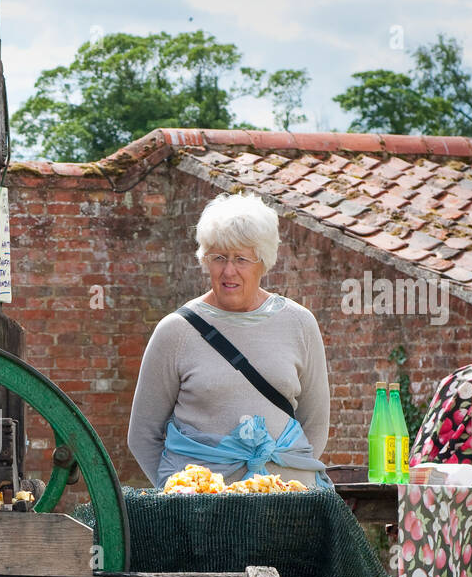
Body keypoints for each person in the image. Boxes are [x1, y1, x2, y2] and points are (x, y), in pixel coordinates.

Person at [127, 192, 331, 488]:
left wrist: (282, 479)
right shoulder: (176, 331)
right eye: (218, 257)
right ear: (205, 260)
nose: (228, 270)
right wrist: (178, 493)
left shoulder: (299, 323)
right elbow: (143, 435)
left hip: (287, 509)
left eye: (241, 259)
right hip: (199, 513)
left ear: (263, 261)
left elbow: (315, 424)